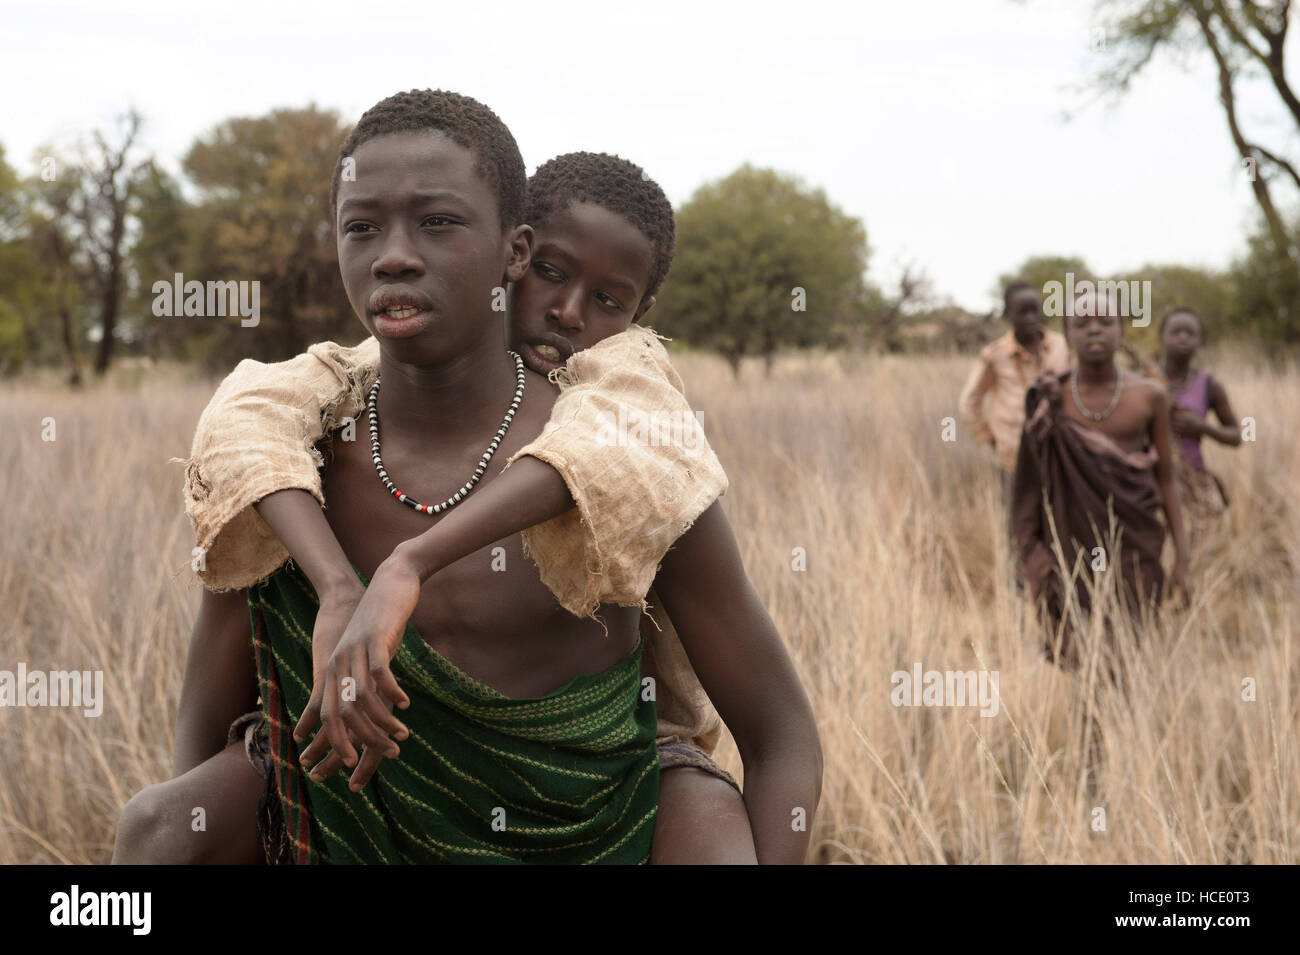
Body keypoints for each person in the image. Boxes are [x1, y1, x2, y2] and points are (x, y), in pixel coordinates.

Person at [113, 92, 820, 865]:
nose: (394, 255)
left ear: (513, 252)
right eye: (361, 226)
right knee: (160, 826)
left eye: (438, 222)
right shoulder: (289, 466)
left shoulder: (624, 465)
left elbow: (779, 731)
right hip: (346, 833)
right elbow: (212, 741)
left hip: (589, 831)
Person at [1010, 287, 1189, 668]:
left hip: (1134, 547)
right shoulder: (1047, 399)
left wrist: (1183, 559)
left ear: (1122, 332)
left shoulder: (1150, 396)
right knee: (1078, 653)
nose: (1094, 329)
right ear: (1067, 335)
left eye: (1106, 322)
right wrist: (1030, 553)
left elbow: (1167, 480)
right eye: (1082, 323)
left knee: (1129, 650)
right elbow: (1027, 488)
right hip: (1069, 549)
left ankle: (1127, 707)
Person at [1148, 307, 1240, 554]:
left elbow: (1236, 436)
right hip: (1149, 481)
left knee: (1199, 551)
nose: (1183, 338)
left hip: (1194, 481)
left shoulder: (1209, 385)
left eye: (1191, 333)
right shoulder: (1144, 380)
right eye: (1176, 332)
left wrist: (1202, 427)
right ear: (1162, 337)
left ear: (1200, 340)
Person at [959, 281, 1071, 476]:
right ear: (1007, 314)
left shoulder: (1061, 345)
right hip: (1014, 456)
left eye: (1034, 310)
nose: (1030, 318)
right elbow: (969, 402)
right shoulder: (994, 355)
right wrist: (990, 439)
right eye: (1022, 312)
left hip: (1059, 452)